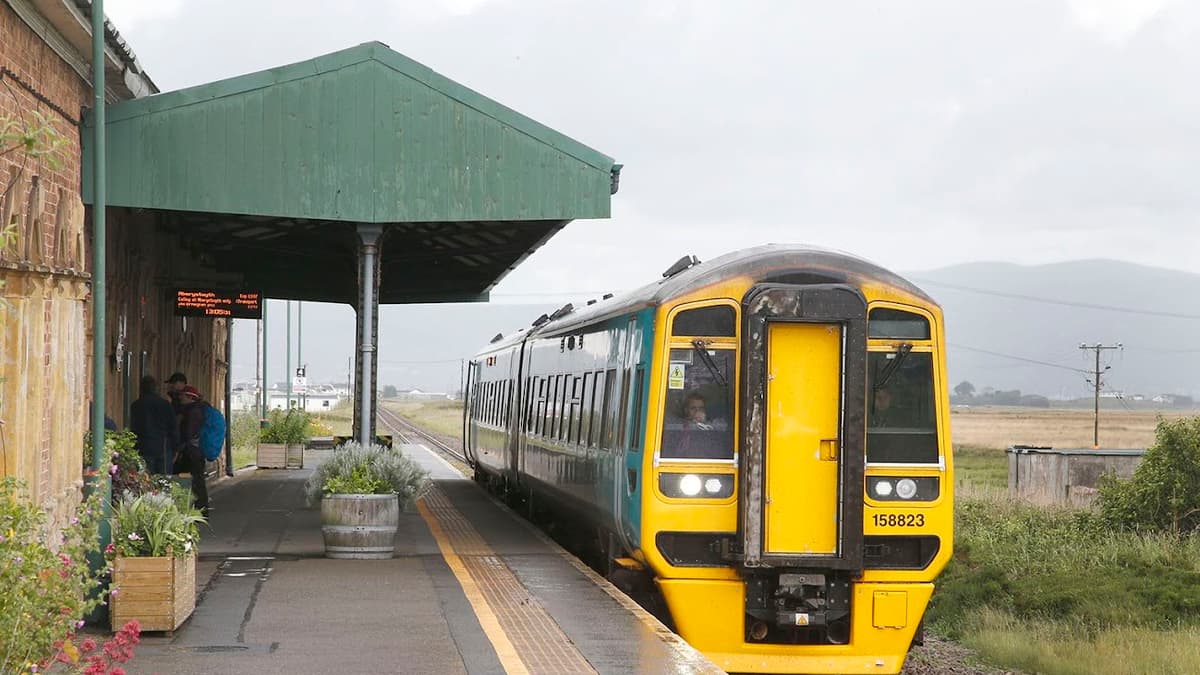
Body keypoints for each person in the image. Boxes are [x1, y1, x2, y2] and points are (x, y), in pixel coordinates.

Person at [129, 375, 179, 474]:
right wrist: (176, 448)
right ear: (155, 388)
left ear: (141, 388)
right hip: (163, 446)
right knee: (164, 480)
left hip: (143, 446)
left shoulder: (135, 406)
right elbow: (173, 427)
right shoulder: (165, 404)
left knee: (146, 478)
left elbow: (133, 428)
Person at [176, 385, 210, 517]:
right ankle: (201, 510)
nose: (180, 397)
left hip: (191, 452)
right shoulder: (197, 409)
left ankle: (198, 510)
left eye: (182, 395)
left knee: (194, 481)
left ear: (190, 397)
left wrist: (179, 450)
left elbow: (188, 433)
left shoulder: (192, 412)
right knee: (198, 481)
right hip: (196, 451)